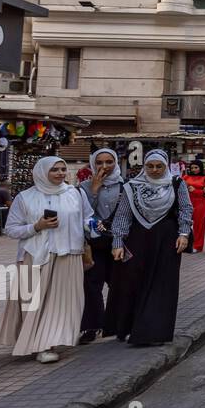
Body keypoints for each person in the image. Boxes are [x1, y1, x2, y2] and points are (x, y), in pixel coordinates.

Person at [0, 156, 92, 364]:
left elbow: (86, 219)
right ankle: (38, 342)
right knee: (34, 304)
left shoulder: (75, 193)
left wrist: (95, 228)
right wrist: (36, 227)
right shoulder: (25, 197)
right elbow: (10, 229)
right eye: (54, 170)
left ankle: (48, 344)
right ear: (41, 172)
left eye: (63, 169)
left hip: (69, 255)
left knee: (62, 304)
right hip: (35, 256)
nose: (60, 173)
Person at [104, 150, 192, 345]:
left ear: (166, 166)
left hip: (167, 241)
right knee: (133, 281)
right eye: (150, 166)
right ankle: (129, 327)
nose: (154, 170)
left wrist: (184, 234)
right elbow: (122, 216)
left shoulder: (175, 183)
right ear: (144, 166)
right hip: (137, 240)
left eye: (159, 166)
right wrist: (117, 242)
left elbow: (186, 209)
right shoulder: (132, 187)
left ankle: (153, 331)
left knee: (162, 284)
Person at [79, 147, 123, 344]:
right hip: (94, 244)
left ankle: (118, 322)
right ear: (92, 164)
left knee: (120, 283)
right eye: (99, 162)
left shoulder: (126, 186)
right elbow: (80, 213)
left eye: (109, 162)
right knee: (91, 285)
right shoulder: (83, 187)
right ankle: (92, 325)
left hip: (118, 242)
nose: (104, 166)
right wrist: (94, 190)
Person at [183, 160, 205, 254]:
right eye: (192, 168)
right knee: (184, 223)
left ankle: (197, 246)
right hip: (187, 202)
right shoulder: (186, 177)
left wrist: (196, 190)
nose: (194, 169)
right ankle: (184, 244)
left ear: (200, 168)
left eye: (196, 167)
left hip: (201, 202)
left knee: (198, 224)